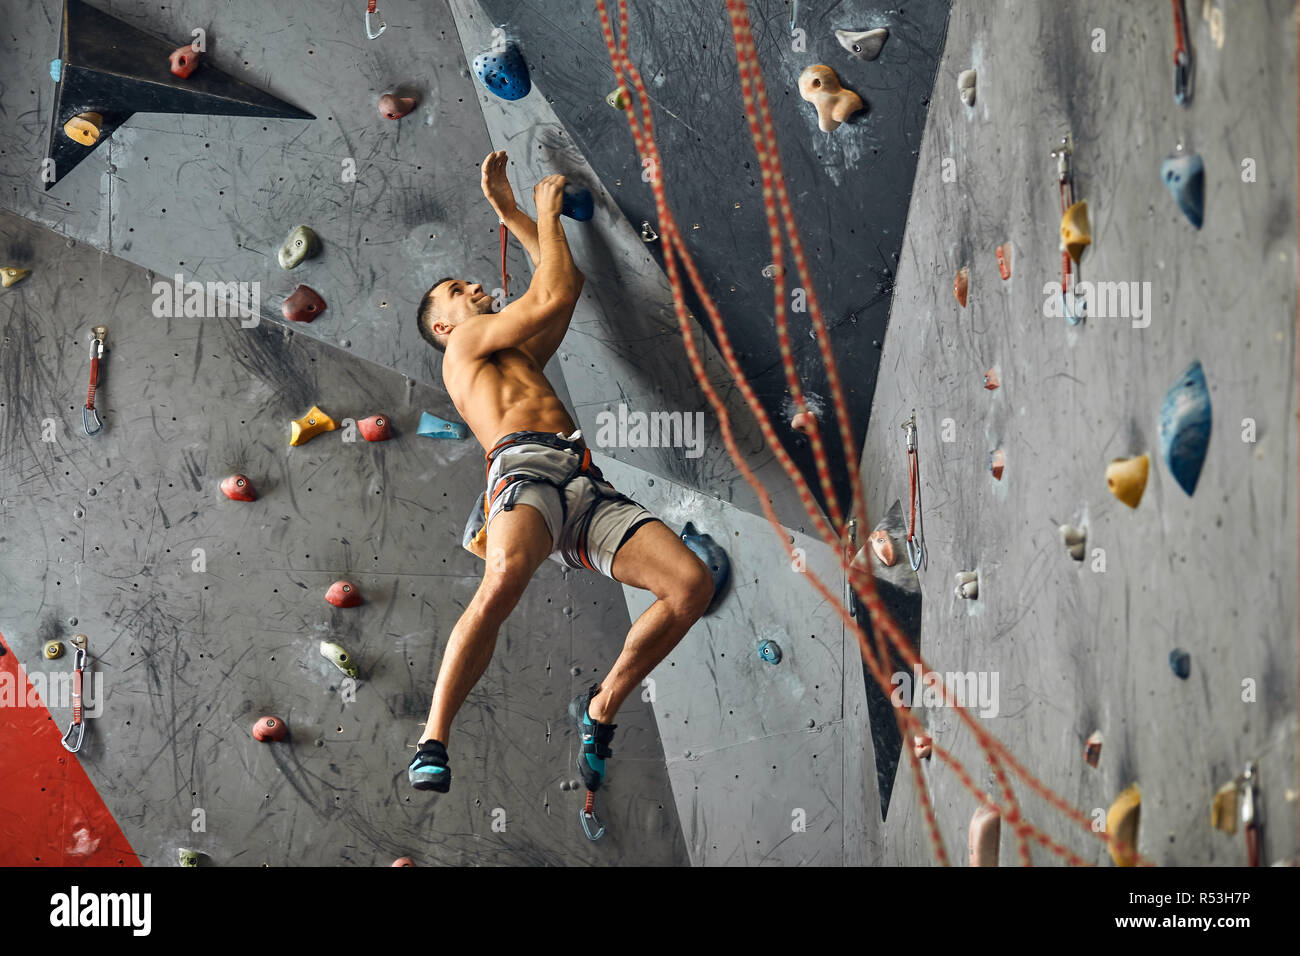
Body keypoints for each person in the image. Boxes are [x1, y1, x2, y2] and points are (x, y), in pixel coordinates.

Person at [409, 150, 714, 796]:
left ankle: (600, 708)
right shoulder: (463, 347)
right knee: (503, 582)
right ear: (443, 325)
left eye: (468, 282)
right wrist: (544, 212)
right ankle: (432, 739)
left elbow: (563, 288)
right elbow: (545, 289)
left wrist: (513, 212)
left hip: (583, 483)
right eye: (457, 292)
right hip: (522, 474)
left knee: (691, 586)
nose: (471, 289)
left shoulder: (510, 354)